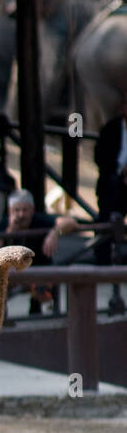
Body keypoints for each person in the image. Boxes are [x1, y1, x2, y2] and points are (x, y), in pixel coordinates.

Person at [0, 189, 79, 314]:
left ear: (32, 210)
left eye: (25, 210)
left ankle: (40, 311)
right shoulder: (5, 223)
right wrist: (10, 231)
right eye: (17, 210)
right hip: (13, 272)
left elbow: (71, 222)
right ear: (10, 211)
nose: (21, 215)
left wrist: (54, 233)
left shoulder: (40, 220)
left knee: (44, 282)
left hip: (40, 271)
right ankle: (2, 318)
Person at [93, 97, 127, 314]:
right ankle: (103, 260)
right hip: (113, 180)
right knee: (109, 206)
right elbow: (101, 158)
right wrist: (119, 173)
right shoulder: (111, 129)